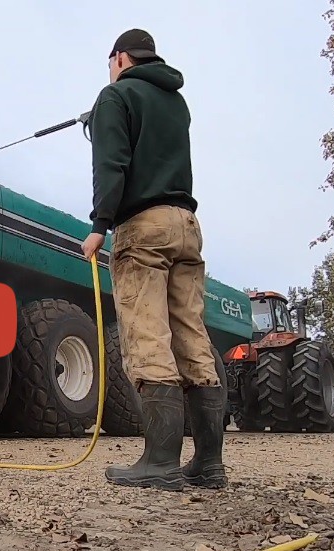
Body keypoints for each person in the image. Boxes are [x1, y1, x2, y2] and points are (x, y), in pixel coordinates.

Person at [80, 28, 226, 491]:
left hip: (144, 228)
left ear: (120, 58)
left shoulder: (115, 95)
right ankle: (208, 464)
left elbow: (113, 165)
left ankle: (160, 463)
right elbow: (151, 146)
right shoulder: (175, 101)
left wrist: (99, 226)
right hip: (186, 225)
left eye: (110, 64)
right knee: (192, 341)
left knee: (147, 338)